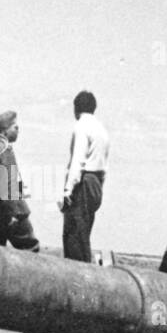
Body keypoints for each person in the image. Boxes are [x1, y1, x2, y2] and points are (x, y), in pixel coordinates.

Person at [57, 91, 110, 262]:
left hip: (83, 182)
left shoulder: (81, 126)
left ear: (76, 108)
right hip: (96, 183)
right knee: (84, 233)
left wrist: (67, 190)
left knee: (73, 235)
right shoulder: (102, 130)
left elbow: (77, 161)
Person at [0, 110, 39, 251]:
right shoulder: (5, 150)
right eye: (15, 127)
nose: (18, 130)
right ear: (5, 131)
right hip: (9, 211)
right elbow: (8, 187)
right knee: (31, 250)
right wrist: (15, 215)